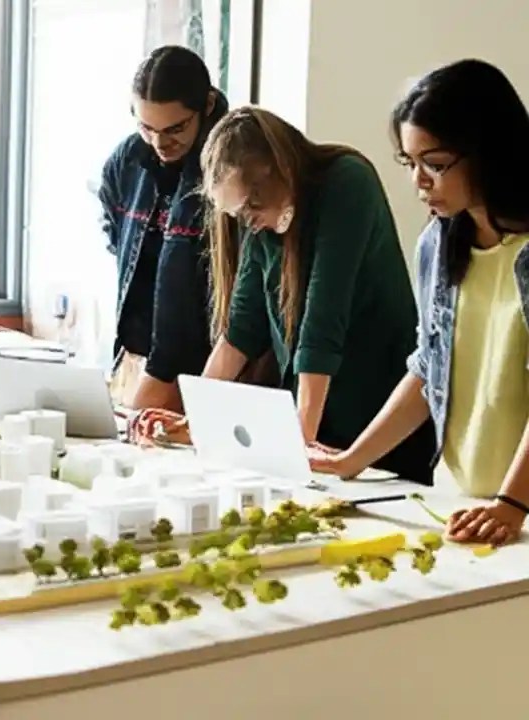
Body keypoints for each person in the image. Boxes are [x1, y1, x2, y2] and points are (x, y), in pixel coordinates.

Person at [130, 106, 436, 484]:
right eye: (239, 215)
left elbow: (322, 325)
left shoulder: (347, 182)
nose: (249, 222)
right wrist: (197, 419)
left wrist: (298, 445)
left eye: (251, 206)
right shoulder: (264, 222)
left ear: (277, 171)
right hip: (321, 430)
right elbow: (240, 330)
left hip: (378, 433)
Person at [310, 60, 529, 546]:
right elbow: (428, 368)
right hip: (459, 504)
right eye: (410, 163)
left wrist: (512, 504)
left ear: (489, 150)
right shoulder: (437, 244)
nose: (419, 182)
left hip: (515, 511)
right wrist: (350, 460)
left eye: (435, 163)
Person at [97, 45, 227, 411]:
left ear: (207, 104)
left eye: (175, 128)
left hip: (210, 367)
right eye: (146, 128)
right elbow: (116, 240)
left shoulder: (231, 167)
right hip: (135, 357)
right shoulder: (127, 160)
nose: (160, 143)